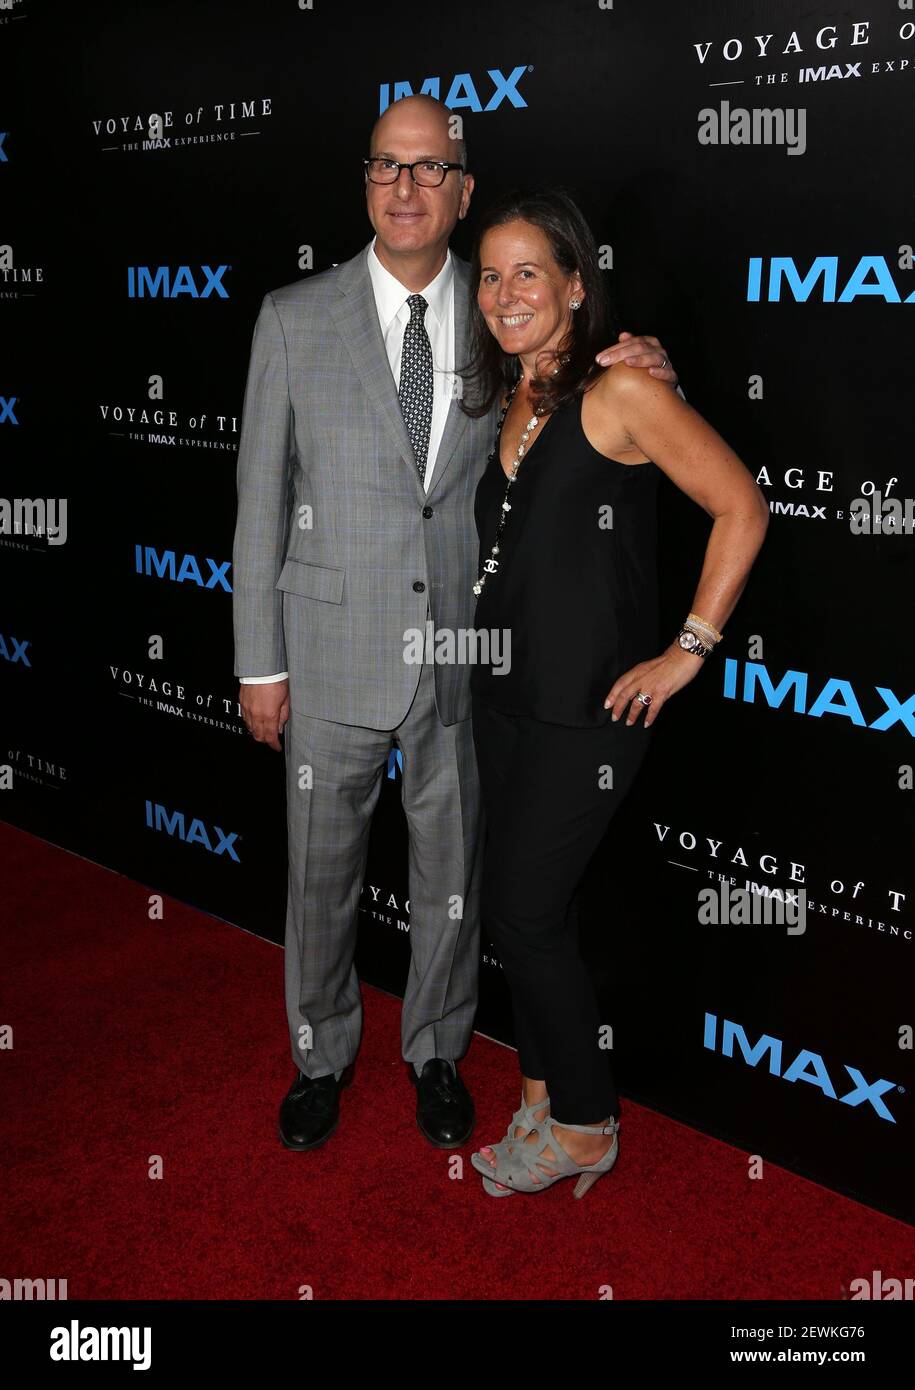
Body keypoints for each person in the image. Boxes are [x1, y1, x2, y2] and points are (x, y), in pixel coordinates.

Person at [232, 96, 679, 1155]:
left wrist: (647, 365)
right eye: (387, 164)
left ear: (463, 191)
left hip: (465, 662)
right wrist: (260, 663)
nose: (406, 187)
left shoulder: (500, 327)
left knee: (454, 877)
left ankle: (436, 1048)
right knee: (320, 879)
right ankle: (320, 1053)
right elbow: (257, 503)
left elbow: (582, 405)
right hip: (330, 650)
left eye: (430, 169)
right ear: (365, 180)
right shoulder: (293, 317)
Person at [462, 188, 769, 1196]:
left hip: (589, 711)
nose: (507, 294)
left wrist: (688, 649)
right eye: (492, 276)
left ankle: (588, 1124)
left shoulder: (622, 392)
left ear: (575, 286)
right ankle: (544, 1092)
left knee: (523, 910)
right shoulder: (512, 394)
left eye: (529, 274)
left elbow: (741, 507)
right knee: (520, 916)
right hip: (503, 696)